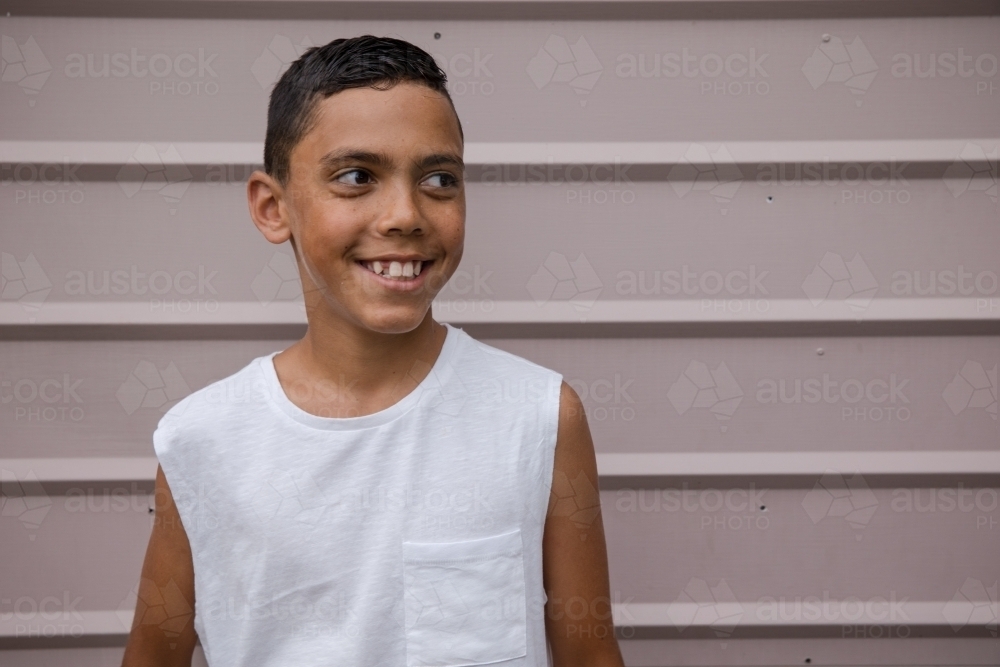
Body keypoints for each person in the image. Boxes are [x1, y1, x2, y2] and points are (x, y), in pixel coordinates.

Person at [121, 34, 625, 667]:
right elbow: (154, 653)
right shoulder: (203, 438)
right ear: (272, 208)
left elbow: (588, 652)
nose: (405, 215)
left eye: (439, 179)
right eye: (357, 177)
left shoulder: (539, 416)